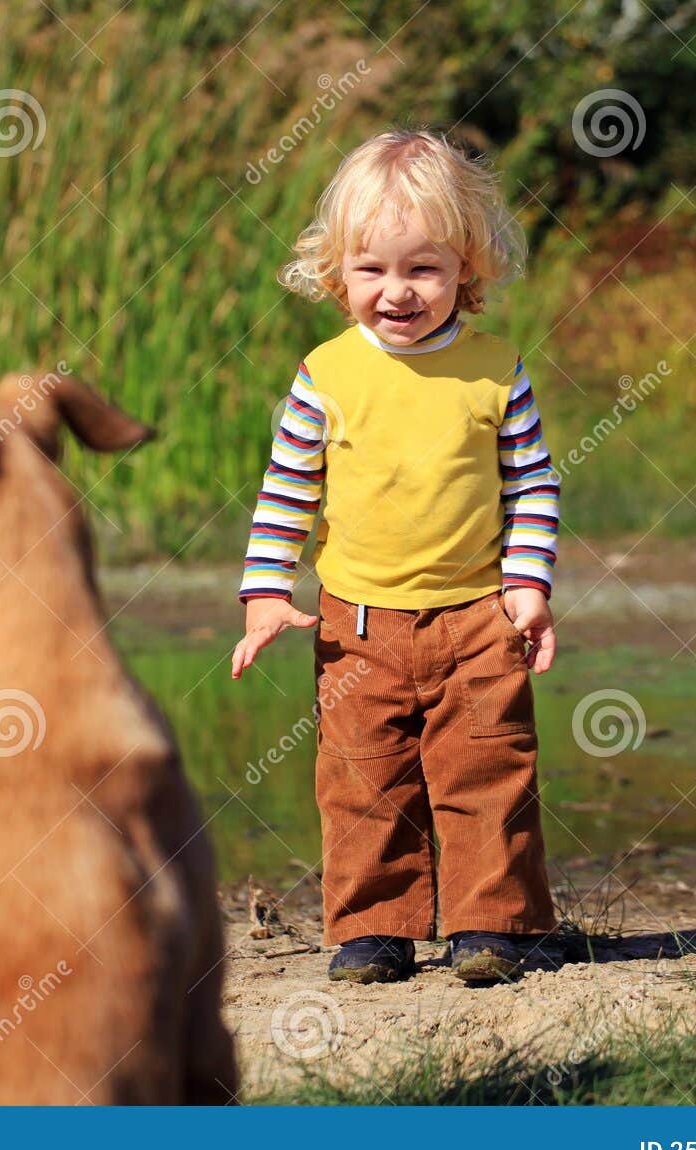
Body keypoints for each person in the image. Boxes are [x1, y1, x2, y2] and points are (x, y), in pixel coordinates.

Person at [230, 127, 561, 984]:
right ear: (339, 271)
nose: (398, 291)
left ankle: (492, 927)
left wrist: (528, 585)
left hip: (479, 619)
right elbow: (288, 493)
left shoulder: (496, 372)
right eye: (373, 269)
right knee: (363, 779)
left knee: (486, 769)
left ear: (467, 270)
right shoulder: (327, 375)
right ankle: (375, 929)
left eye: (425, 269)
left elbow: (532, 487)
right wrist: (266, 594)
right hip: (359, 624)